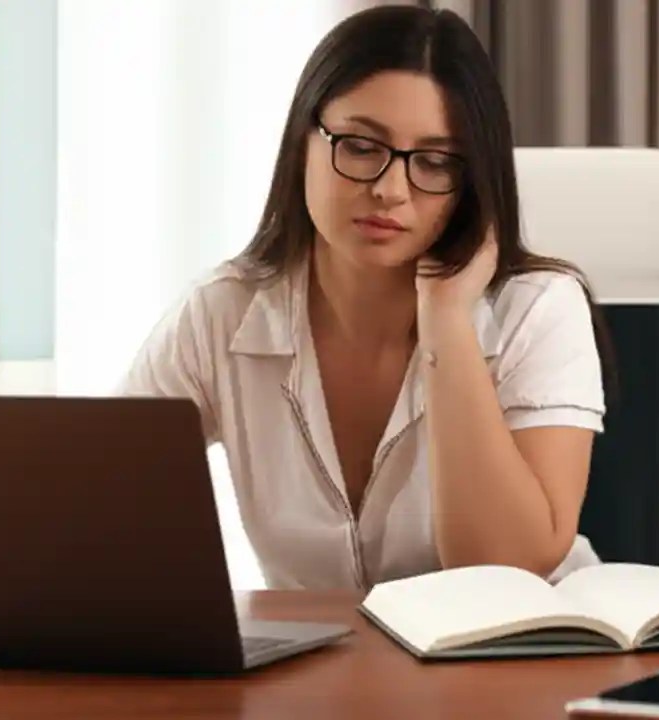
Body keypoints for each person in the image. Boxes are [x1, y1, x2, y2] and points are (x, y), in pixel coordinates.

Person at [119, 5, 610, 591]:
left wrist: (449, 322)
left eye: (434, 161)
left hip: (517, 662)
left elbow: (502, 573)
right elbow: (99, 503)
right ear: (305, 140)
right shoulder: (221, 313)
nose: (389, 189)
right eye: (358, 146)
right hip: (320, 674)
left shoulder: (540, 308)